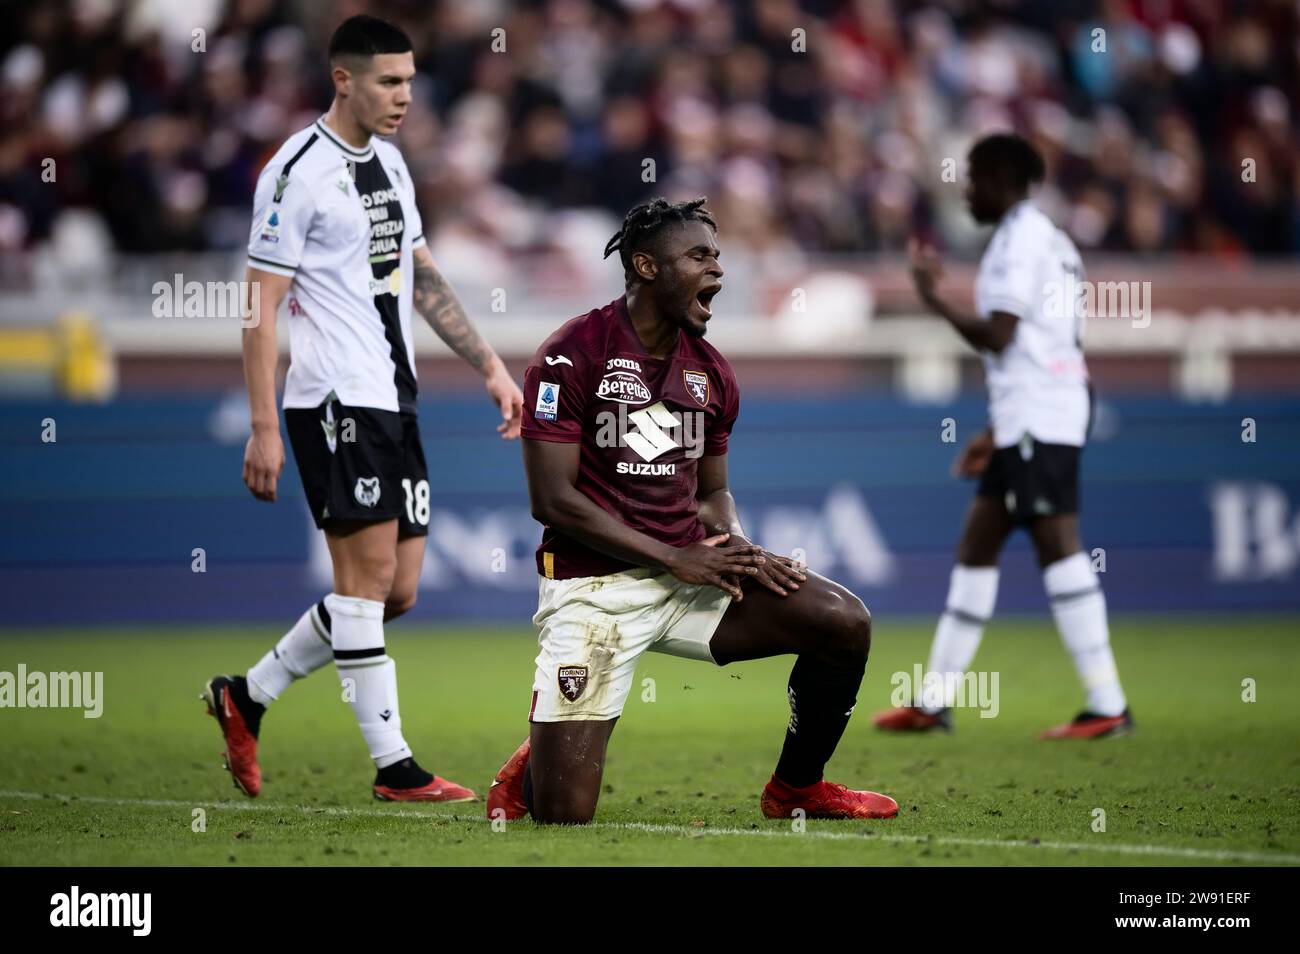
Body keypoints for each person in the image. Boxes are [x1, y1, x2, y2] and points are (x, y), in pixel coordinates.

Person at [485, 198, 898, 824]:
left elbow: (710, 495)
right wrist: (674, 557)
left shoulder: (712, 374)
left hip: (686, 581)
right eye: (700, 256)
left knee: (842, 621)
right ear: (647, 266)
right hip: (592, 588)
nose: (718, 271)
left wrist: (733, 545)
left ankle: (797, 788)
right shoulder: (572, 353)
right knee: (564, 816)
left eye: (718, 256)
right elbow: (553, 500)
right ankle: (537, 763)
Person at [202, 15, 523, 801]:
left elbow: (423, 278)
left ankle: (246, 695)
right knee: (367, 579)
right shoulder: (295, 173)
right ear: (342, 79)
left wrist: (488, 364)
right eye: (388, 80)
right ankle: (394, 766)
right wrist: (263, 425)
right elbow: (259, 306)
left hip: (396, 400)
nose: (404, 95)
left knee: (396, 591)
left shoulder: (390, 165)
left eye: (410, 80)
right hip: (334, 399)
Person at [874, 133, 1132, 739]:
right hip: (1035, 416)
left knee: (1060, 548)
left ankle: (1107, 703)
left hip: (1043, 419)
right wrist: (997, 430)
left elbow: (1000, 335)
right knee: (977, 547)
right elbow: (1039, 345)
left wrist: (934, 298)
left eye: (973, 177)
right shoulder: (1049, 239)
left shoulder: (1020, 240)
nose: (965, 190)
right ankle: (934, 701)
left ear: (1000, 177)